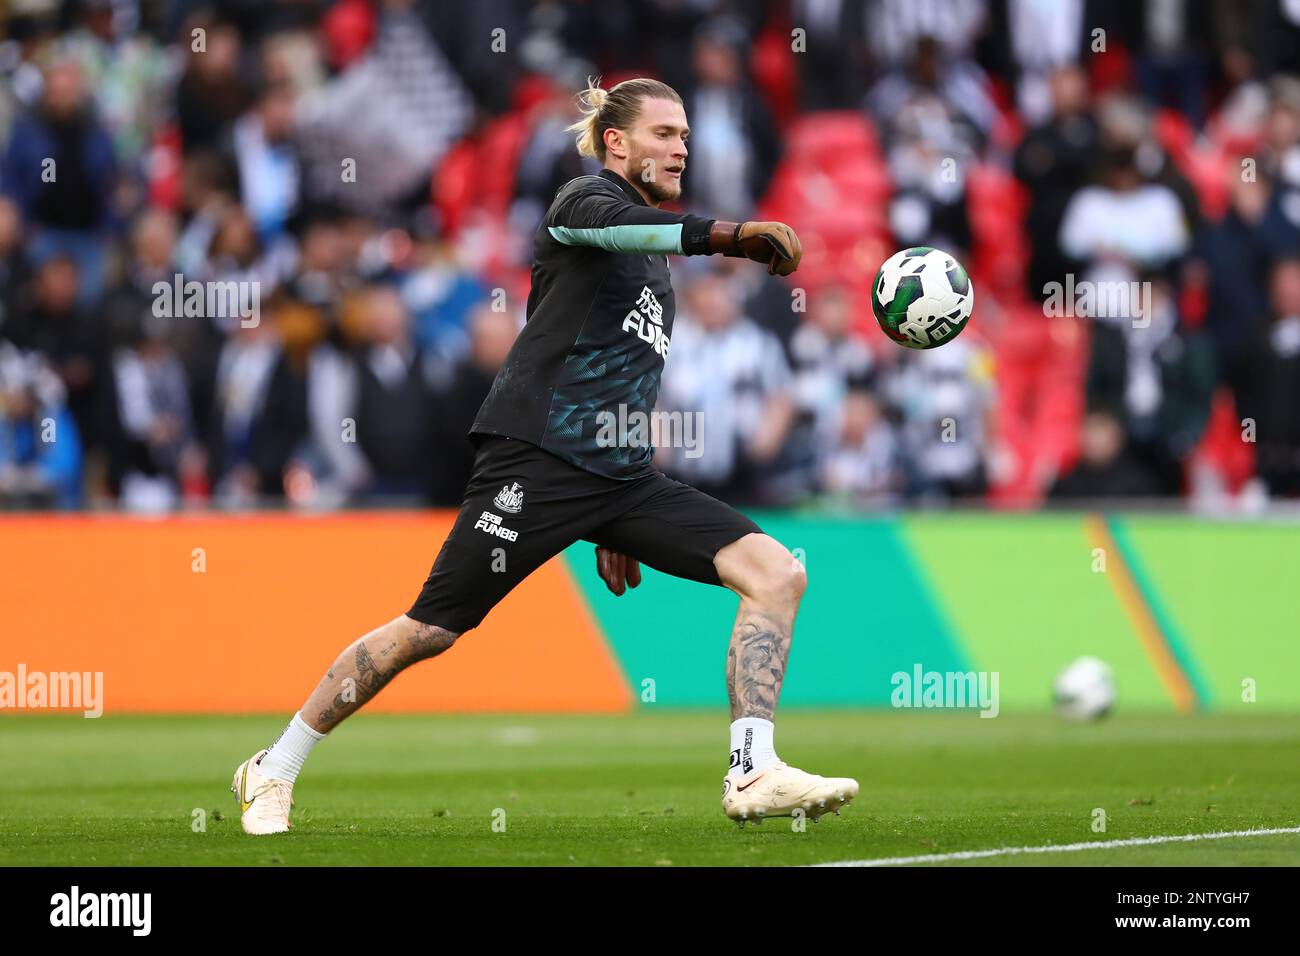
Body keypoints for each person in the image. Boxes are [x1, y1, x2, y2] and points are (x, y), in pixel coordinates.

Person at [232, 77, 857, 833]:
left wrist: (615, 511)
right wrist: (729, 236)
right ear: (617, 143)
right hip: (535, 466)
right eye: (664, 133)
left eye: (686, 134)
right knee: (428, 631)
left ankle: (752, 768)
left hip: (621, 478)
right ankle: (274, 766)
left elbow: (622, 370)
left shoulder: (650, 264)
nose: (682, 146)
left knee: (775, 573)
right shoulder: (582, 204)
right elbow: (638, 231)